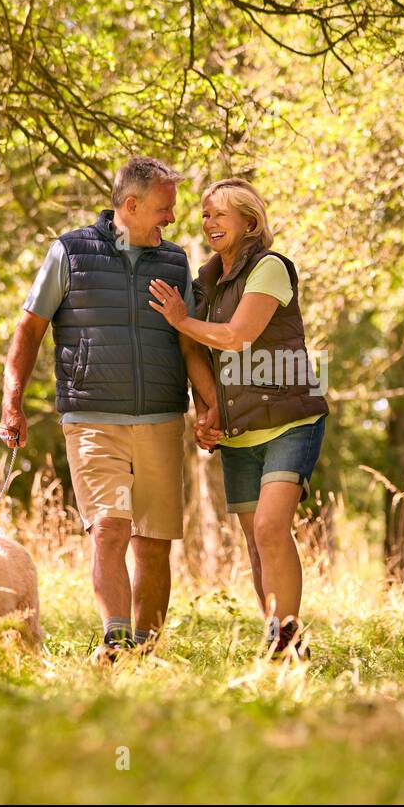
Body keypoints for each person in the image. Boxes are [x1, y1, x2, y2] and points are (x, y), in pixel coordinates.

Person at [0, 157, 218, 663]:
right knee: (110, 528)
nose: (172, 217)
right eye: (165, 207)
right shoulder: (70, 252)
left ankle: (147, 649)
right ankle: (116, 642)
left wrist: (208, 407)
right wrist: (12, 401)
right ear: (132, 204)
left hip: (163, 418)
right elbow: (29, 329)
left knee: (154, 543)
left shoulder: (174, 262)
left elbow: (189, 343)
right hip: (93, 417)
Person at [147, 178, 328, 658]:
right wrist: (208, 409)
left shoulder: (269, 268)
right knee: (254, 543)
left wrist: (181, 318)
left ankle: (285, 637)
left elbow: (236, 336)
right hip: (240, 431)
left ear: (250, 222)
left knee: (271, 527)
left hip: (291, 419)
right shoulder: (205, 281)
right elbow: (194, 352)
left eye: (219, 214)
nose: (209, 224)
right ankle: (283, 642)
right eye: (205, 215)